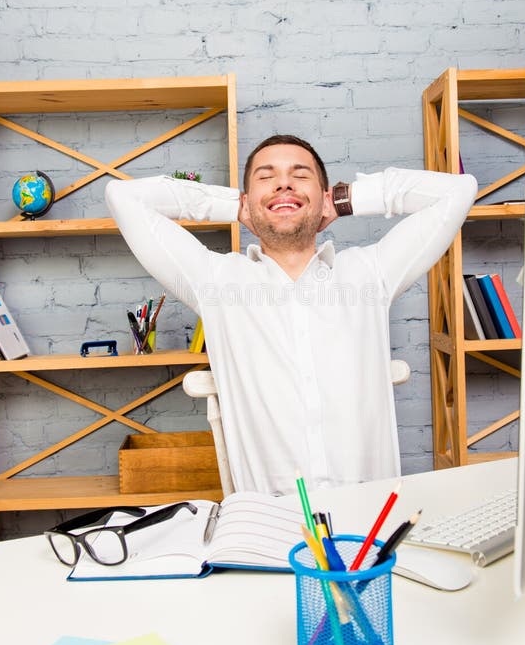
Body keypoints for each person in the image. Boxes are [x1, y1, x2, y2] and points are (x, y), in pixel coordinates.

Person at [105, 135, 477, 495]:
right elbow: (122, 197)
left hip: (370, 520)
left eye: (300, 176)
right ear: (249, 200)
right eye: (267, 177)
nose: (284, 184)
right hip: (270, 525)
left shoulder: (371, 272)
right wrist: (234, 206)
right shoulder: (216, 281)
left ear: (324, 196)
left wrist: (348, 199)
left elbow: (459, 191)